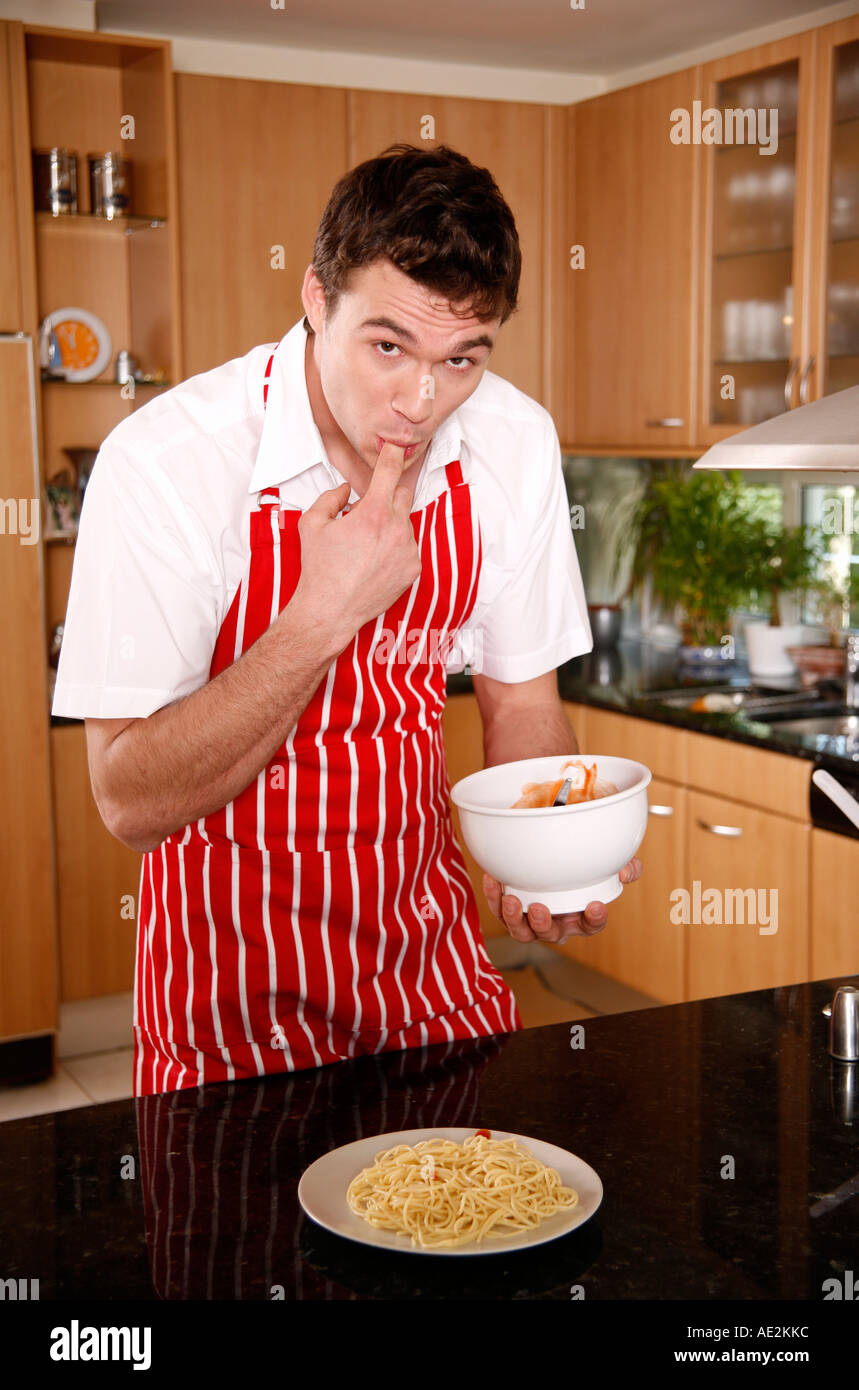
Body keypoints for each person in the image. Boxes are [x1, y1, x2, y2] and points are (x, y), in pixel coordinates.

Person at [52, 143, 642, 1096]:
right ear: (316, 299)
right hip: (228, 1014)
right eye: (388, 346)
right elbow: (129, 800)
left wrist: (546, 851)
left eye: (461, 358)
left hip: (433, 980)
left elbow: (521, 697)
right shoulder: (167, 462)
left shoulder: (510, 439)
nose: (421, 400)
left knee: (468, 1231)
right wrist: (318, 618)